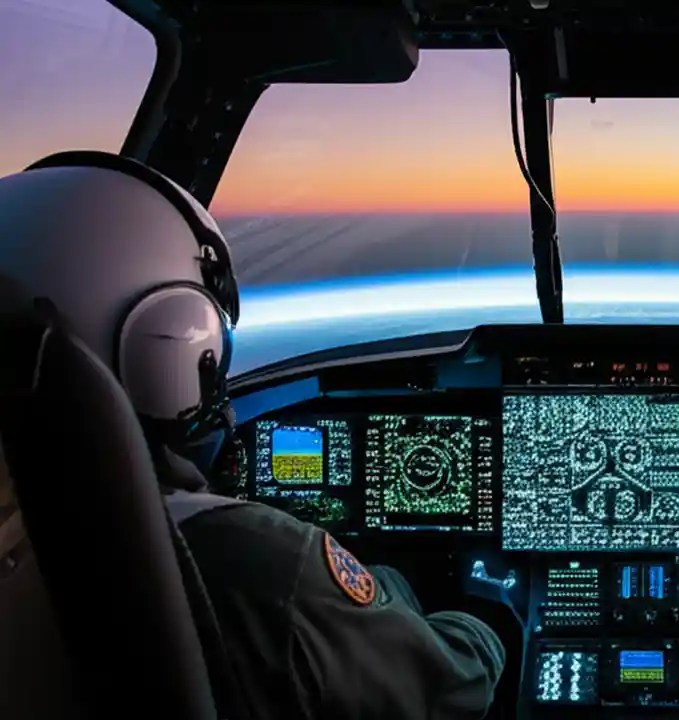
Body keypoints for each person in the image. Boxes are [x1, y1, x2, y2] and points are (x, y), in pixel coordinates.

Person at [0, 151, 507, 719]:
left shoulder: (27, 545)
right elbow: (444, 687)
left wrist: (388, 586)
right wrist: (484, 620)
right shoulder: (257, 561)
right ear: (179, 343)